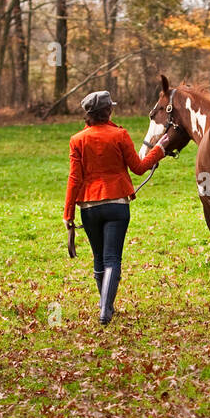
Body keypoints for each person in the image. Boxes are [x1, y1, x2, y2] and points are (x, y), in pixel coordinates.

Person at [64, 90, 171, 325]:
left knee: (99, 258)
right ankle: (106, 309)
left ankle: (104, 307)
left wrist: (68, 214)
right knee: (113, 258)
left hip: (89, 207)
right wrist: (160, 150)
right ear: (108, 111)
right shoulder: (120, 135)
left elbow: (74, 179)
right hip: (117, 205)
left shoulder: (77, 140)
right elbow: (140, 168)